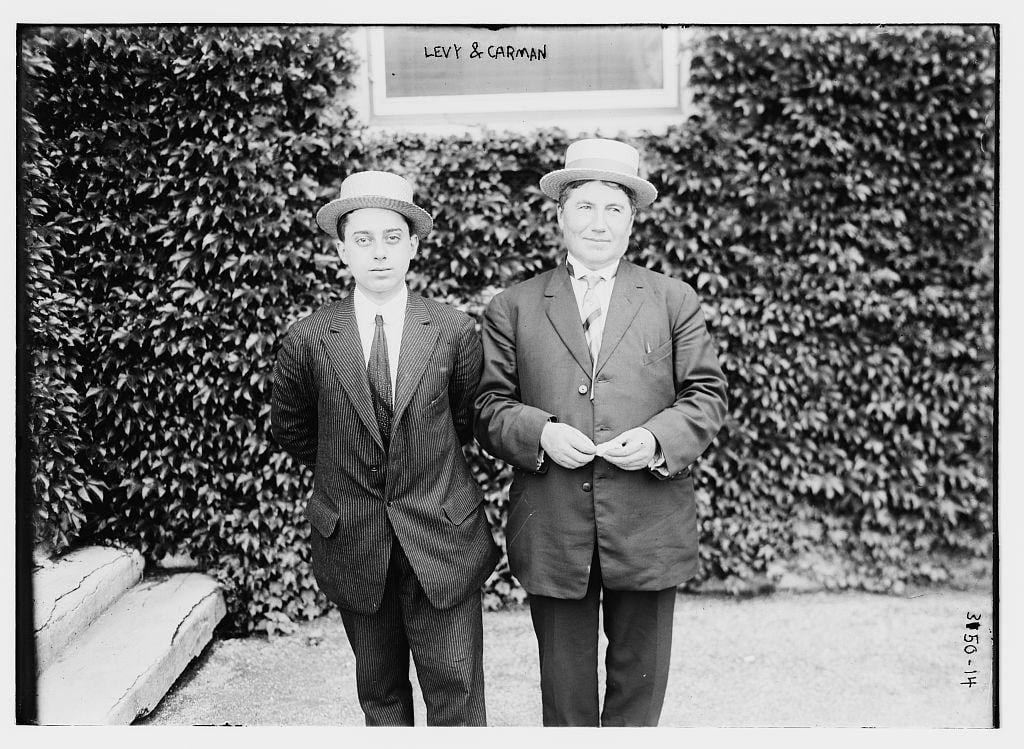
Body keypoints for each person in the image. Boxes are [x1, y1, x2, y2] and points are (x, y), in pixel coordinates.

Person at [474, 138, 728, 727]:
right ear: (560, 214)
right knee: (565, 698)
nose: (598, 222)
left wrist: (658, 440)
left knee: (640, 687)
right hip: (554, 524)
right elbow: (487, 405)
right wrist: (540, 433)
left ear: (632, 221)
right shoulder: (514, 306)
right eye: (584, 206)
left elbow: (706, 393)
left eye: (614, 209)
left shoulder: (673, 299)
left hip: (648, 521)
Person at [271, 170, 500, 726]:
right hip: (354, 539)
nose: (379, 253)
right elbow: (295, 430)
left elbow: (464, 422)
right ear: (342, 250)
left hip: (440, 537)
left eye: (393, 238)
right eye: (364, 239)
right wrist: (351, 468)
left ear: (413, 246)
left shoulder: (451, 330)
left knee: (457, 691)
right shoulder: (309, 338)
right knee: (380, 695)